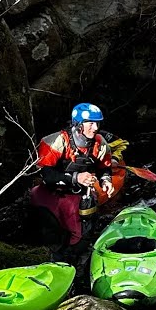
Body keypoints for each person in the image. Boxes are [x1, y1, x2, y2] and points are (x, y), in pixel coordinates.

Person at [30, 103, 115, 260]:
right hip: (50, 191)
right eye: (90, 123)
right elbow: (45, 174)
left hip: (78, 194)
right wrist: (76, 177)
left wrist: (106, 180)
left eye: (97, 123)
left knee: (81, 241)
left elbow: (104, 167)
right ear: (78, 124)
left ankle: (73, 257)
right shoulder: (55, 142)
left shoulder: (100, 143)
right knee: (46, 228)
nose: (95, 128)